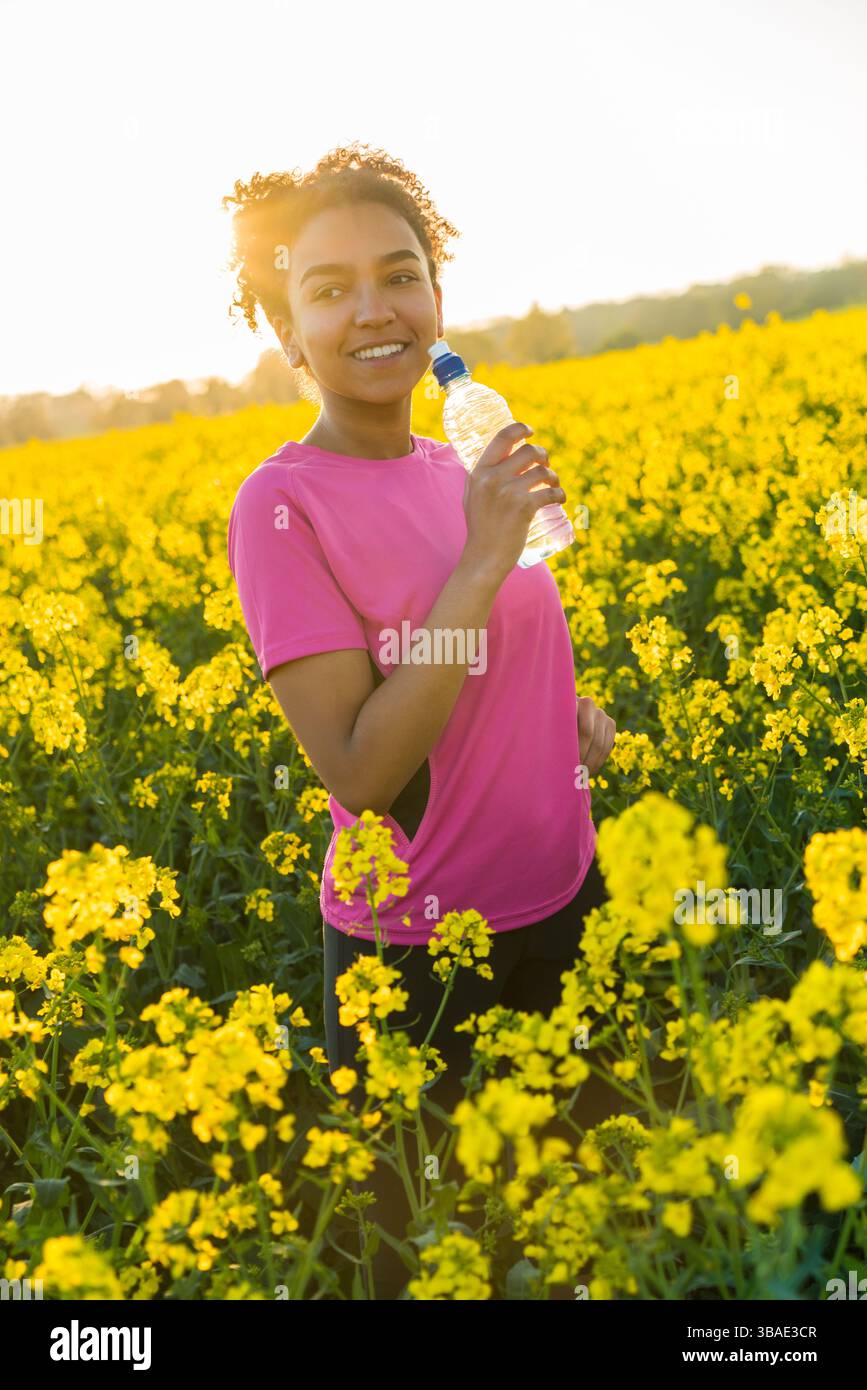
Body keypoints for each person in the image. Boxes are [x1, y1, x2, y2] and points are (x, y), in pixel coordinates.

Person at [223, 143, 619, 1297]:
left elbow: (491, 654)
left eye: (399, 274)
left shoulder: (460, 458)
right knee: (439, 1264)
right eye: (328, 288)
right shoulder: (280, 503)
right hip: (420, 961)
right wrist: (485, 563)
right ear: (287, 330)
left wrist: (566, 712)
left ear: (437, 298)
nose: (373, 309)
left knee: (585, 1236)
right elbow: (360, 765)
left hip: (566, 902)